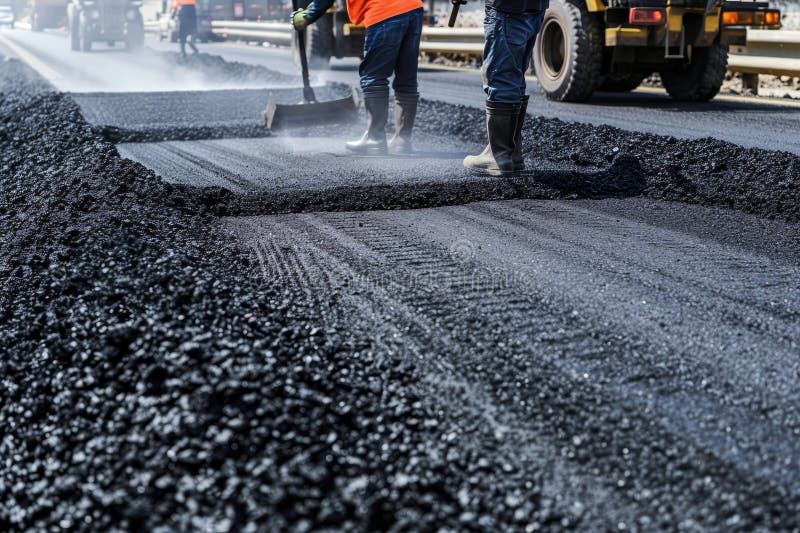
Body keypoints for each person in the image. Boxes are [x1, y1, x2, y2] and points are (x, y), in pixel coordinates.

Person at [292, 0, 424, 155]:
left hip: (384, 11)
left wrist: (307, 16)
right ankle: (403, 140)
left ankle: (374, 138)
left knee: (374, 76)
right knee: (406, 78)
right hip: (413, 8)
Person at [463, 0, 549, 175]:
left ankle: (498, 156)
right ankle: (511, 154)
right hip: (535, 8)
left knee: (500, 77)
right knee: (514, 76)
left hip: (508, 8)